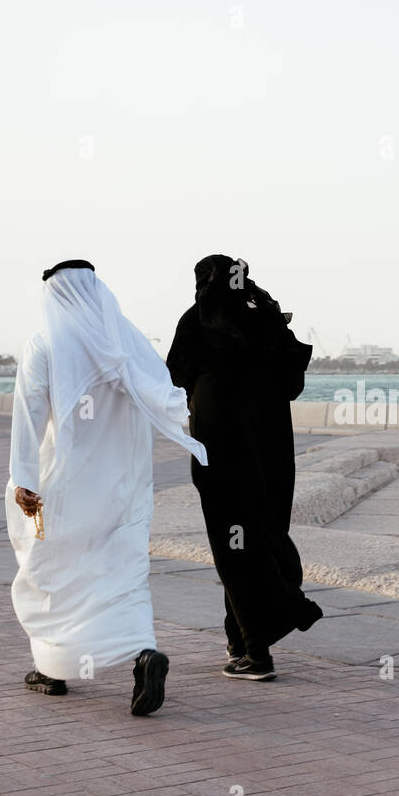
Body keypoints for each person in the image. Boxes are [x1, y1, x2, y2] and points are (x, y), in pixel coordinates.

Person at [7, 260, 207, 715]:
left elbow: (29, 417)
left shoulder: (44, 345)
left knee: (53, 573)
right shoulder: (128, 341)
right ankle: (143, 654)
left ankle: (52, 670)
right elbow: (165, 395)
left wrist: (24, 480)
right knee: (124, 573)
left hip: (66, 485)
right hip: (125, 487)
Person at [167, 254, 322, 682]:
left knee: (233, 545)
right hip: (271, 452)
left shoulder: (199, 319)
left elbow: (174, 374)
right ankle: (239, 641)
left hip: (222, 452)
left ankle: (258, 650)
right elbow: (292, 381)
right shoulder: (265, 318)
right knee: (264, 535)